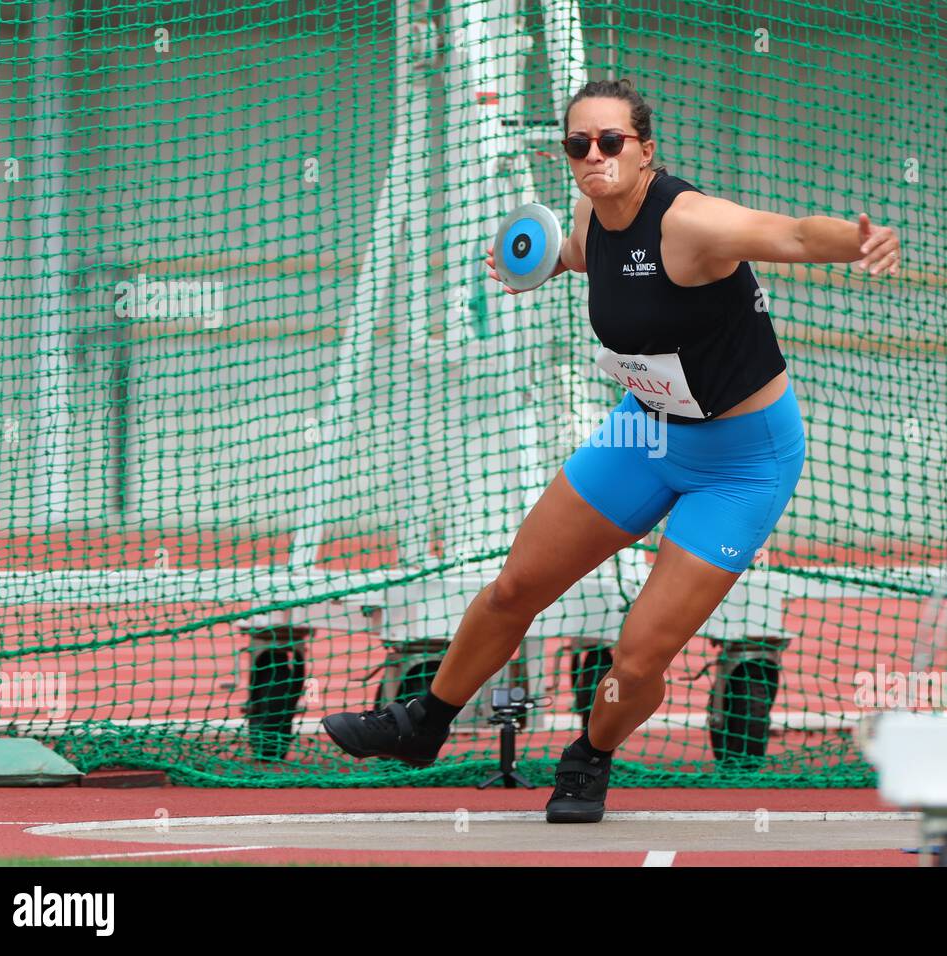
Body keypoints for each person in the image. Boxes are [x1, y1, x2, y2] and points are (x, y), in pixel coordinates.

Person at [322, 77, 901, 823]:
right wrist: (542, 261)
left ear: (645, 149)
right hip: (646, 430)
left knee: (637, 657)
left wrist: (858, 242)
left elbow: (786, 234)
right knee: (514, 587)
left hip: (742, 459)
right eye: (578, 144)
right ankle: (423, 723)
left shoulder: (692, 224)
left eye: (610, 142)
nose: (593, 155)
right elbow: (590, 257)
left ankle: (589, 757)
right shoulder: (592, 217)